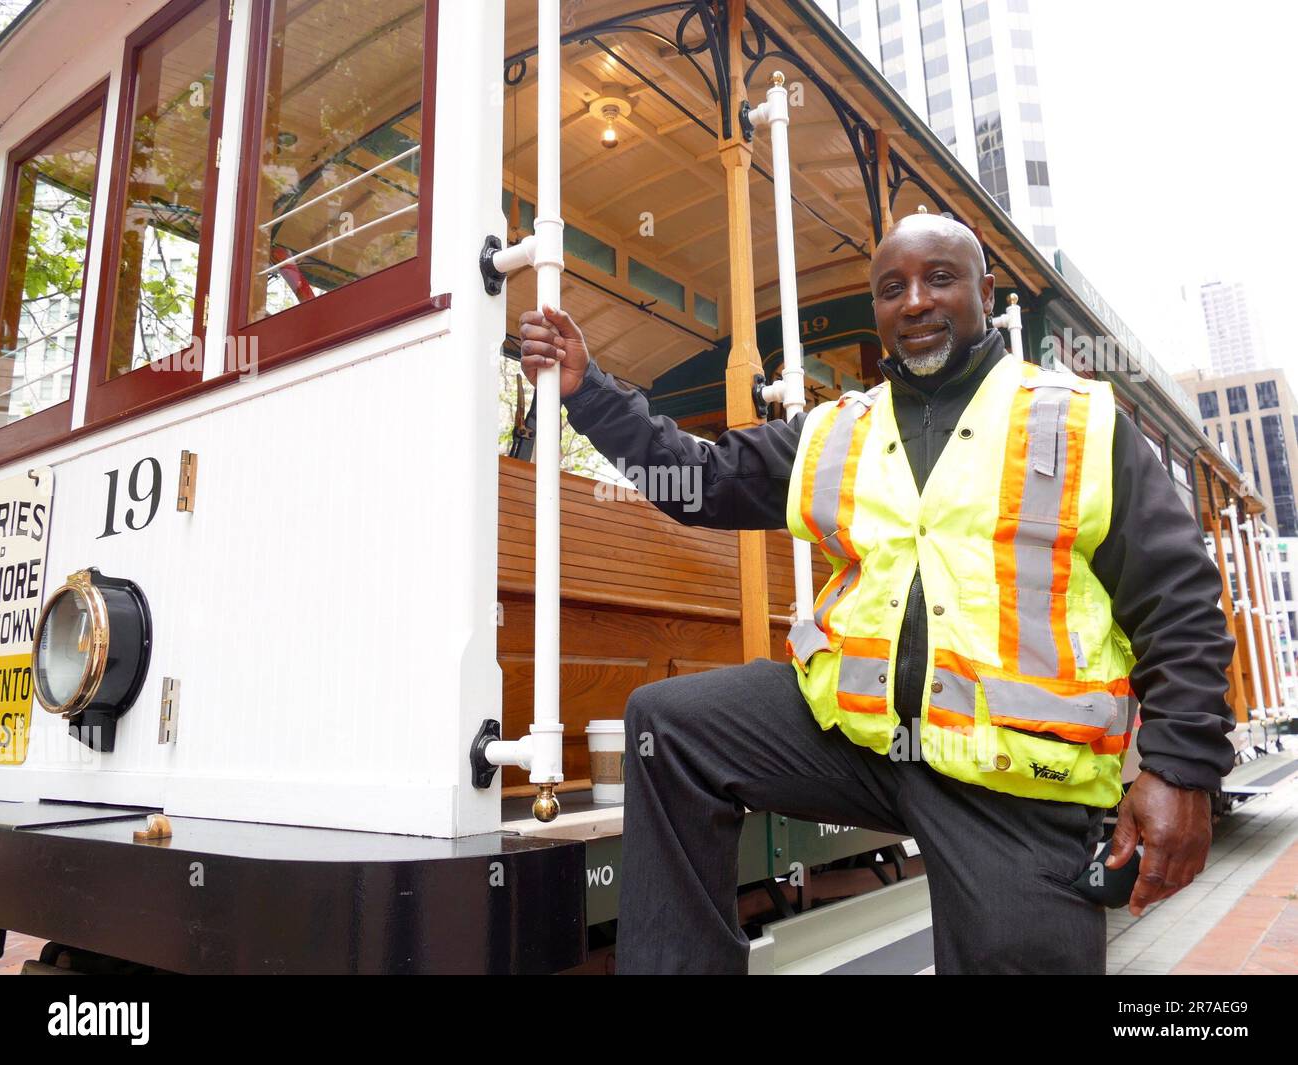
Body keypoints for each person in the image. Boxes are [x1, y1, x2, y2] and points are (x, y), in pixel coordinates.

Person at [517, 213, 1236, 975]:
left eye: (940, 279)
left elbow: (1179, 601)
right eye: (893, 289)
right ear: (879, 315)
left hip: (1013, 779)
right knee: (669, 728)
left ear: (985, 293)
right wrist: (587, 393)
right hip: (856, 740)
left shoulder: (1078, 422)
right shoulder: (839, 431)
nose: (916, 301)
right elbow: (700, 481)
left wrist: (1182, 768)